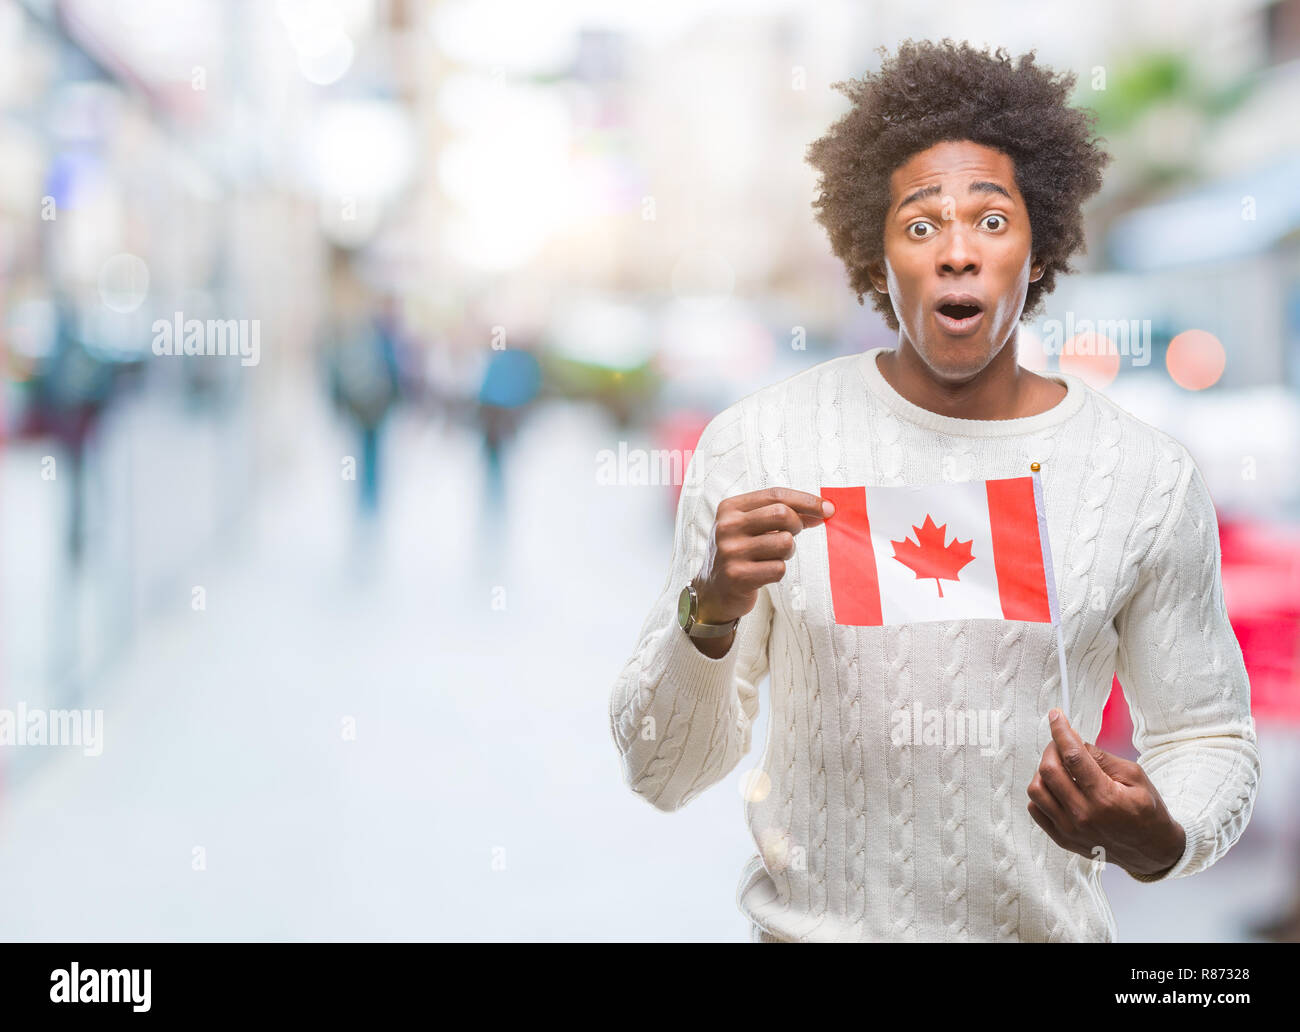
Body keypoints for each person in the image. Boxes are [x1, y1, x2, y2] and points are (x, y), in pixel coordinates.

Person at [607, 39, 1260, 942]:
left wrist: (1163, 837)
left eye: (993, 221)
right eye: (920, 225)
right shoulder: (760, 446)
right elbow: (660, 770)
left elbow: (1208, 736)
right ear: (875, 263)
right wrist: (709, 611)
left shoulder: (1143, 476)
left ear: (1040, 253)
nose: (958, 253)